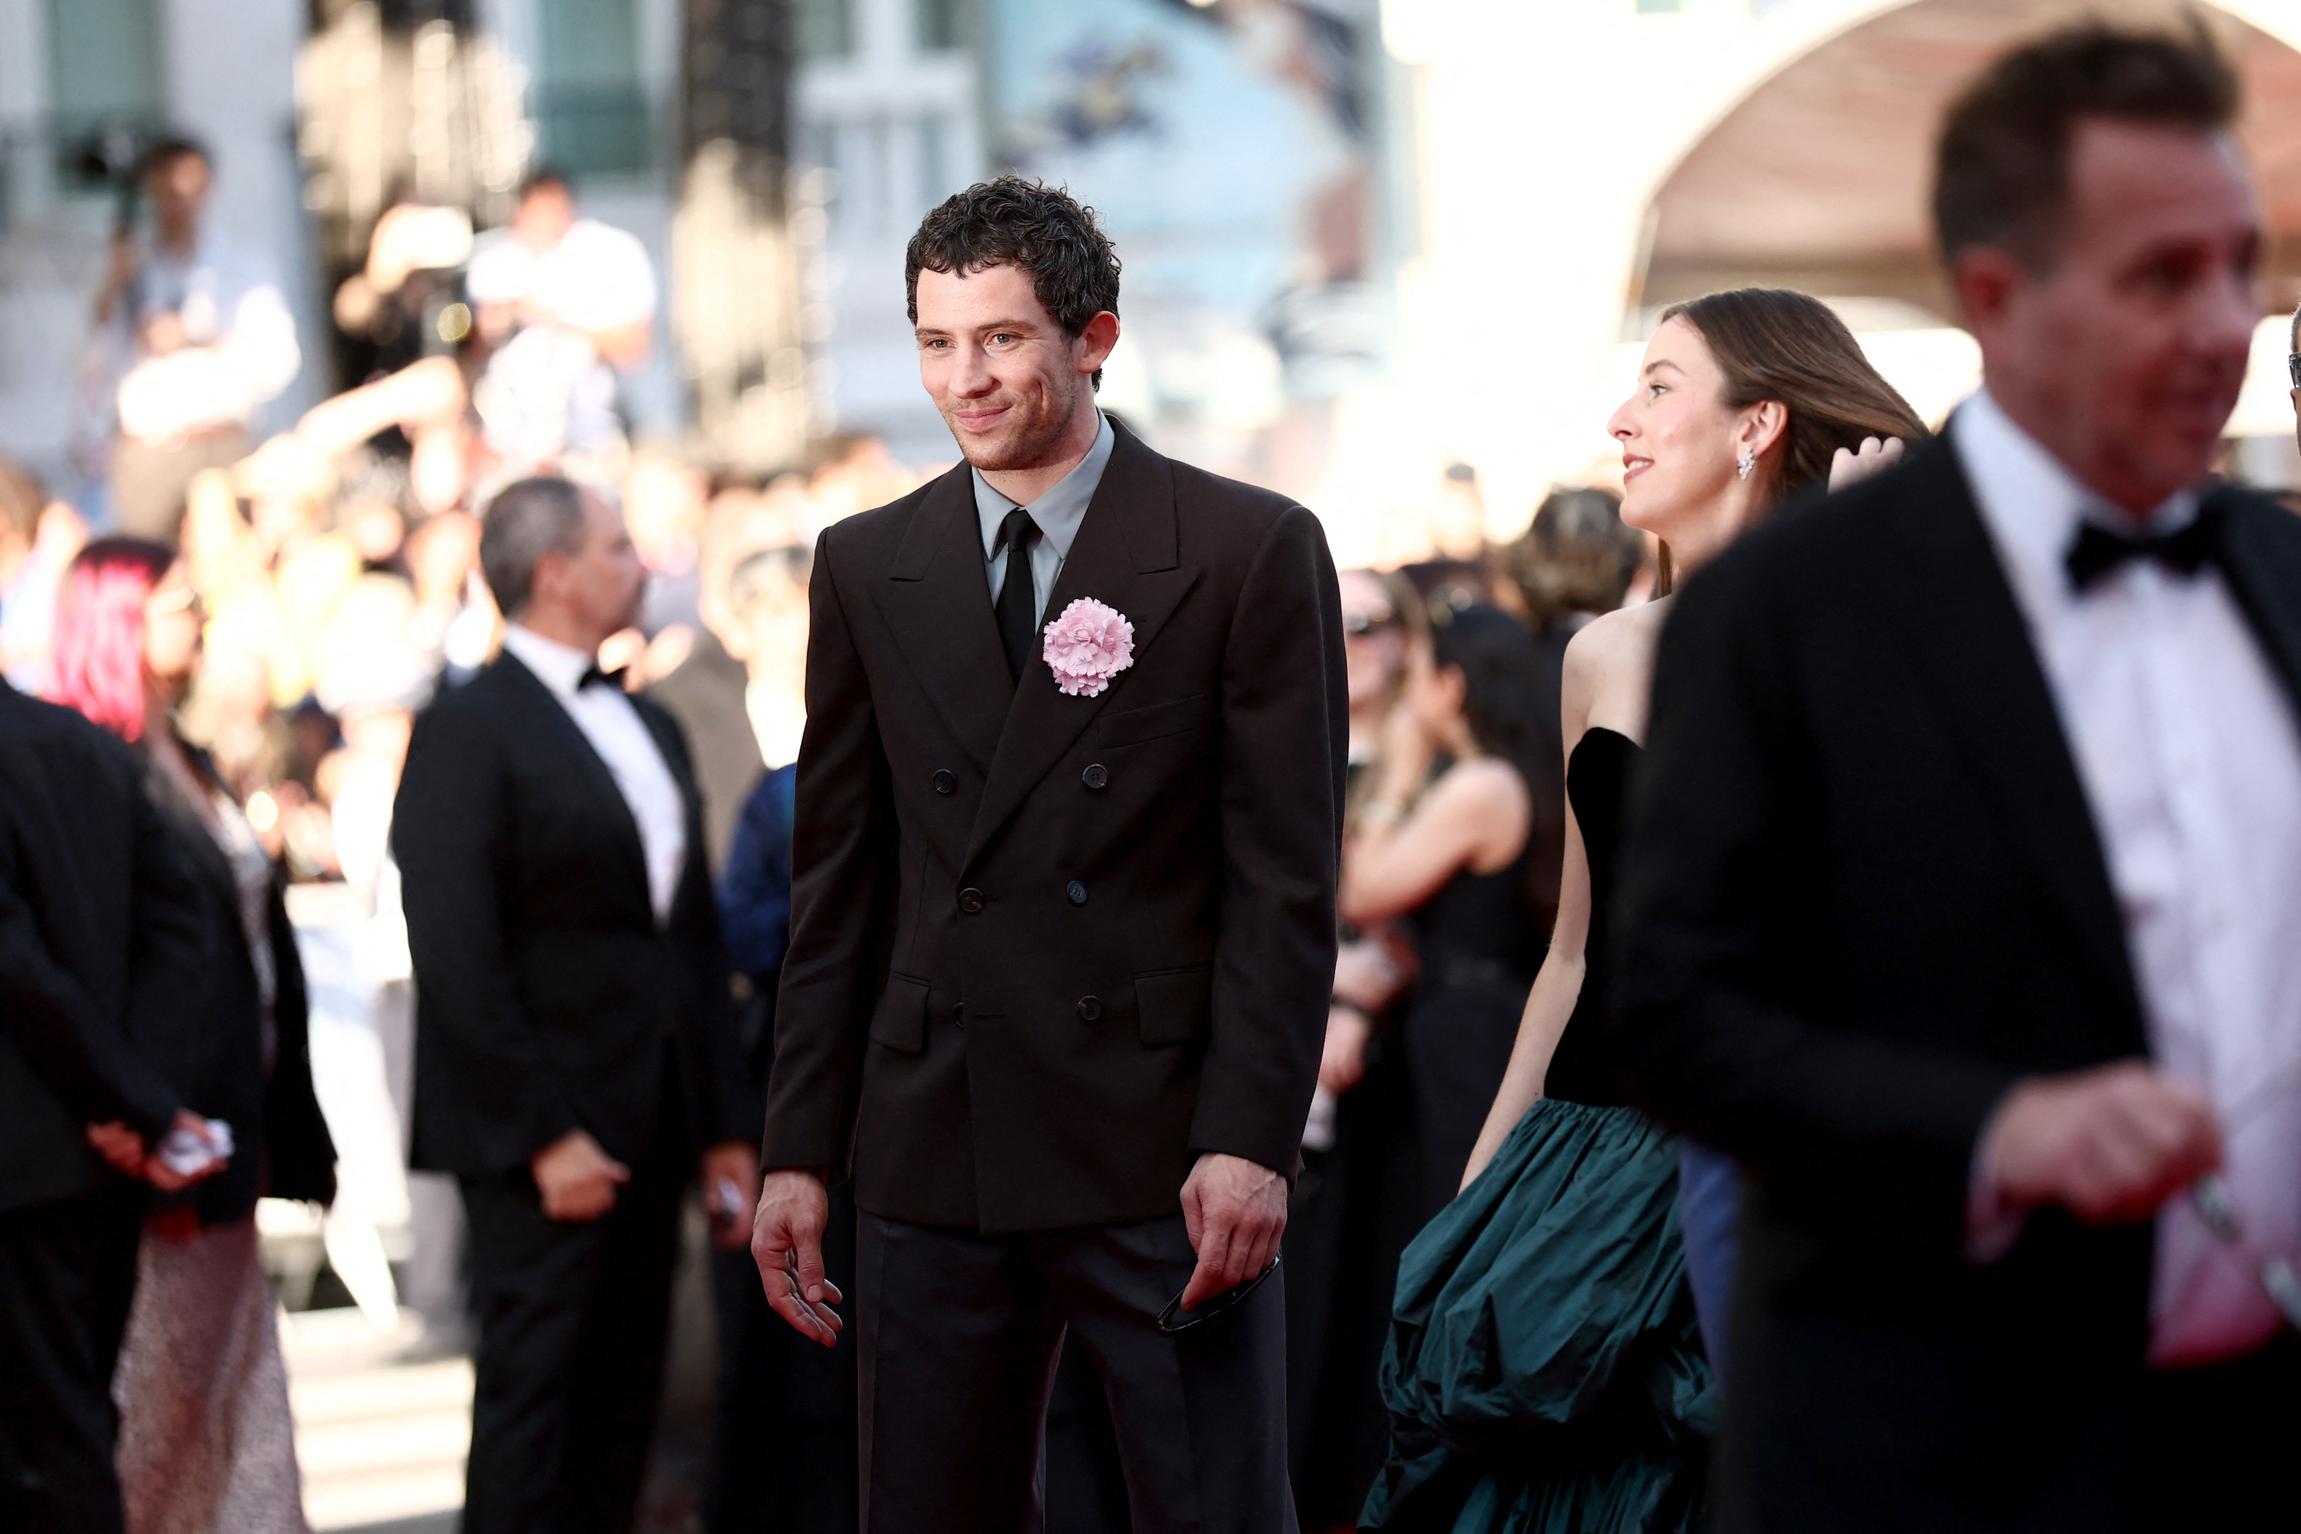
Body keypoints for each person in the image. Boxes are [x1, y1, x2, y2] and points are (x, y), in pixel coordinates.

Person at [1614, 24, 2301, 1530]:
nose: (2223, 327)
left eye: (2240, 269)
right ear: (1996, 297)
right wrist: (1995, 1133)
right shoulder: (1788, 612)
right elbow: (1668, 1014)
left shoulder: (2278, 575)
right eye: (2161, 278)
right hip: (1940, 1444)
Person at [747, 176, 1347, 1532]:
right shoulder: (864, 563)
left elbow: (1285, 883)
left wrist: (1249, 1138)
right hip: (934, 1137)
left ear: (1094, 338)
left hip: (1161, 1144)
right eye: (936, 341)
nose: (964, 379)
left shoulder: (1245, 548)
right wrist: (800, 1151)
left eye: (1001, 338)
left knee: (1214, 1511)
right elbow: (837, 887)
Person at [1362, 287, 1925, 1534]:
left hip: (1769, 1159)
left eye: (1659, 386)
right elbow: (1574, 950)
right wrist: (1483, 1186)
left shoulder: (1881, 629)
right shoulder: (1603, 653)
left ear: (1758, 423)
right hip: (1585, 1163)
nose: (1620, 418)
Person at [390, 476, 761, 1534]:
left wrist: (725, 1129)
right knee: (536, 1413)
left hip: (657, 1118)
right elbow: (456, 952)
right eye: (616, 548)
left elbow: (689, 940)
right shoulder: (466, 725)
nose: (641, 566)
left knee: (623, 1410)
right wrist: (542, 1134)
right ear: (555, 573)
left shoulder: (650, 719)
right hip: (539, 1138)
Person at [45, 538, 337, 1534]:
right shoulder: (95, 766)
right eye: (178, 604)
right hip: (162, 1145)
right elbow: (95, 968)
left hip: (231, 1122)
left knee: (231, 1403)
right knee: (158, 1422)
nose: (201, 617)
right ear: (118, 618)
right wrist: (140, 1117)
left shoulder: (188, 754)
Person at [0, 673, 219, 1534]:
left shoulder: (84, 748)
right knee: (73, 1428)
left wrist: (134, 1102)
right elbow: (179, 925)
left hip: (38, 1167)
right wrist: (138, 1103)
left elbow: (15, 966)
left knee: (50, 1450)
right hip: (94, 1165)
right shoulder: (89, 746)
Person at [1339, 603, 1553, 1220]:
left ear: (1450, 686)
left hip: (1471, 1030)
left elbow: (1363, 892)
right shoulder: (1502, 774)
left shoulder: (1481, 785)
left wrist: (1400, 773)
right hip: (1473, 1019)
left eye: (1418, 671)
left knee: (1458, 1203)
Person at [84, 137, 302, 543]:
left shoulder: (244, 268)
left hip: (218, 446)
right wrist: (112, 285)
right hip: (146, 455)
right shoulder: (134, 268)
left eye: (189, 189)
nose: (178, 203)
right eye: (166, 190)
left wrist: (195, 338)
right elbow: (94, 362)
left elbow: (278, 361)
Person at [464, 170, 657, 470]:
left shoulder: (608, 254)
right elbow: (467, 349)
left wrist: (556, 321)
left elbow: (634, 347)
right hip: (506, 443)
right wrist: (501, 319)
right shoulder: (492, 262)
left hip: (587, 443)